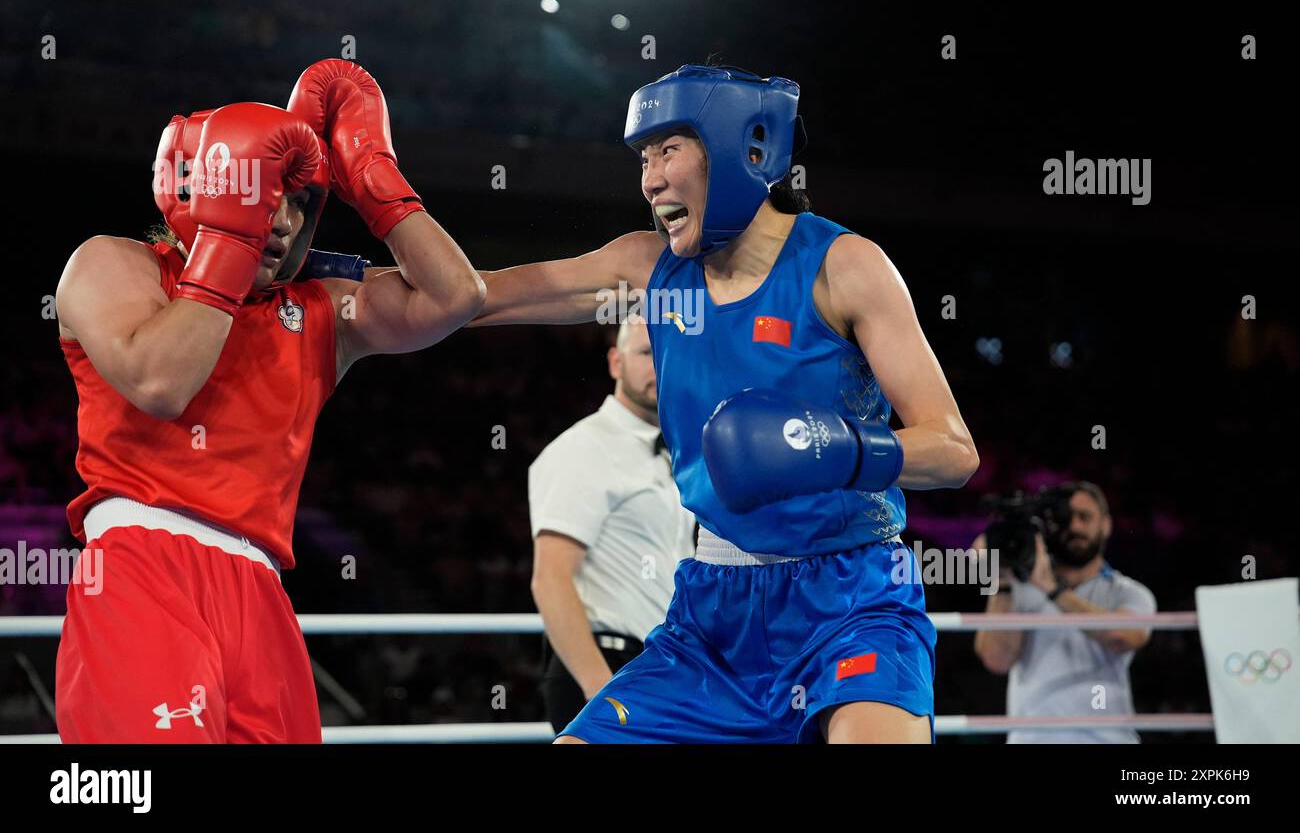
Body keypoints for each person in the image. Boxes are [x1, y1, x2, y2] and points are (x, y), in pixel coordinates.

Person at [473, 64, 978, 742]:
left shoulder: (844, 266)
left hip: (852, 596)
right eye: (644, 157)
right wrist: (359, 256)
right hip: (712, 610)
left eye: (668, 150)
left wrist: (828, 448)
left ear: (745, 149)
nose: (649, 178)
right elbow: (478, 298)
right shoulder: (648, 268)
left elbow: (952, 450)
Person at [53, 62, 484, 742]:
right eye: (260, 193)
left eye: (299, 202)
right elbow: (161, 382)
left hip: (261, 587)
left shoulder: (316, 307)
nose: (280, 219)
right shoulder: (116, 265)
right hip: (142, 567)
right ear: (195, 186)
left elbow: (457, 298)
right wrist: (230, 237)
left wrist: (374, 181)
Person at [530, 316, 697, 733]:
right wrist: (600, 690)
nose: (658, 366)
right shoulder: (584, 449)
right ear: (615, 362)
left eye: (667, 354)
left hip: (665, 664)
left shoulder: (679, 451)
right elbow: (549, 580)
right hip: (607, 667)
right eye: (645, 353)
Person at [973, 481, 1156, 743]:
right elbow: (996, 660)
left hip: (1106, 739)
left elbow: (1123, 637)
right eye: (1065, 518)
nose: (1075, 527)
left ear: (1106, 524)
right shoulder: (1018, 590)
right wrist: (1001, 580)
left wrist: (1052, 589)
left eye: (1085, 517)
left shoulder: (1129, 593)